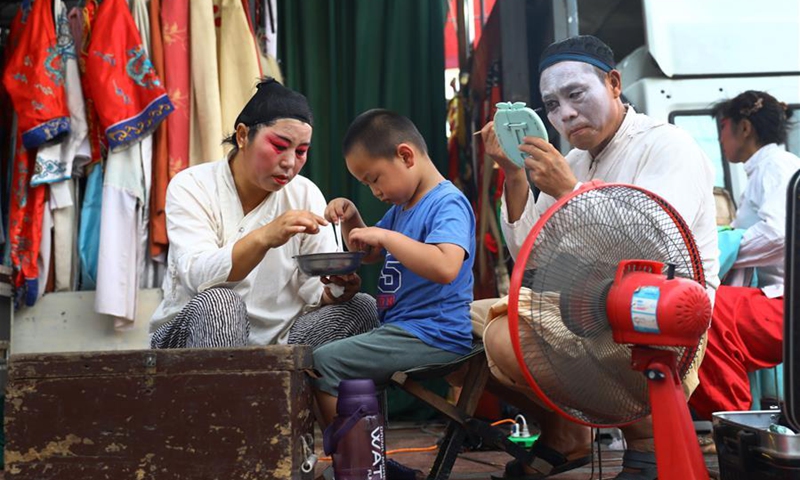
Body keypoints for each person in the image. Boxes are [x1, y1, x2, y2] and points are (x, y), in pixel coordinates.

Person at [476, 35, 719, 479]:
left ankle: (646, 438)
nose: (564, 114)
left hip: (660, 324)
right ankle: (567, 437)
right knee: (465, 325)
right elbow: (529, 250)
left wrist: (569, 190)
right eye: (551, 105)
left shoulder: (667, 145)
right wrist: (513, 173)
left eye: (575, 95)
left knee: (504, 338)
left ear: (612, 83)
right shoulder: (578, 160)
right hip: (594, 314)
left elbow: (658, 245)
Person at [149, 78, 379, 350]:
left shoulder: (305, 193)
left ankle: (314, 391)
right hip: (190, 337)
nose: (290, 162)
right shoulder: (192, 185)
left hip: (281, 340)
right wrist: (266, 236)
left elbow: (314, 292)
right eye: (279, 146)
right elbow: (197, 275)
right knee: (221, 304)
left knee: (363, 307)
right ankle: (233, 392)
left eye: (301, 151)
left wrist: (335, 292)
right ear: (243, 135)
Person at [312, 108, 476, 426]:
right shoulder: (404, 208)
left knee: (324, 362)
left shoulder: (447, 203)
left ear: (405, 156)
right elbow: (371, 252)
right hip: (403, 330)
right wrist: (353, 217)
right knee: (328, 350)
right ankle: (370, 461)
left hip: (433, 335)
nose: (375, 191)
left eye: (374, 179)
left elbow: (446, 266)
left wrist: (386, 236)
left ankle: (355, 464)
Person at [689, 91, 800, 420]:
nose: (720, 137)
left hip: (786, 302)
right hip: (777, 299)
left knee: (704, 309)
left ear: (744, 128)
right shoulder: (764, 172)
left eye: (723, 127)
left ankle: (732, 419)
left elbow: (781, 234)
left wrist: (719, 248)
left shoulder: (777, 166)